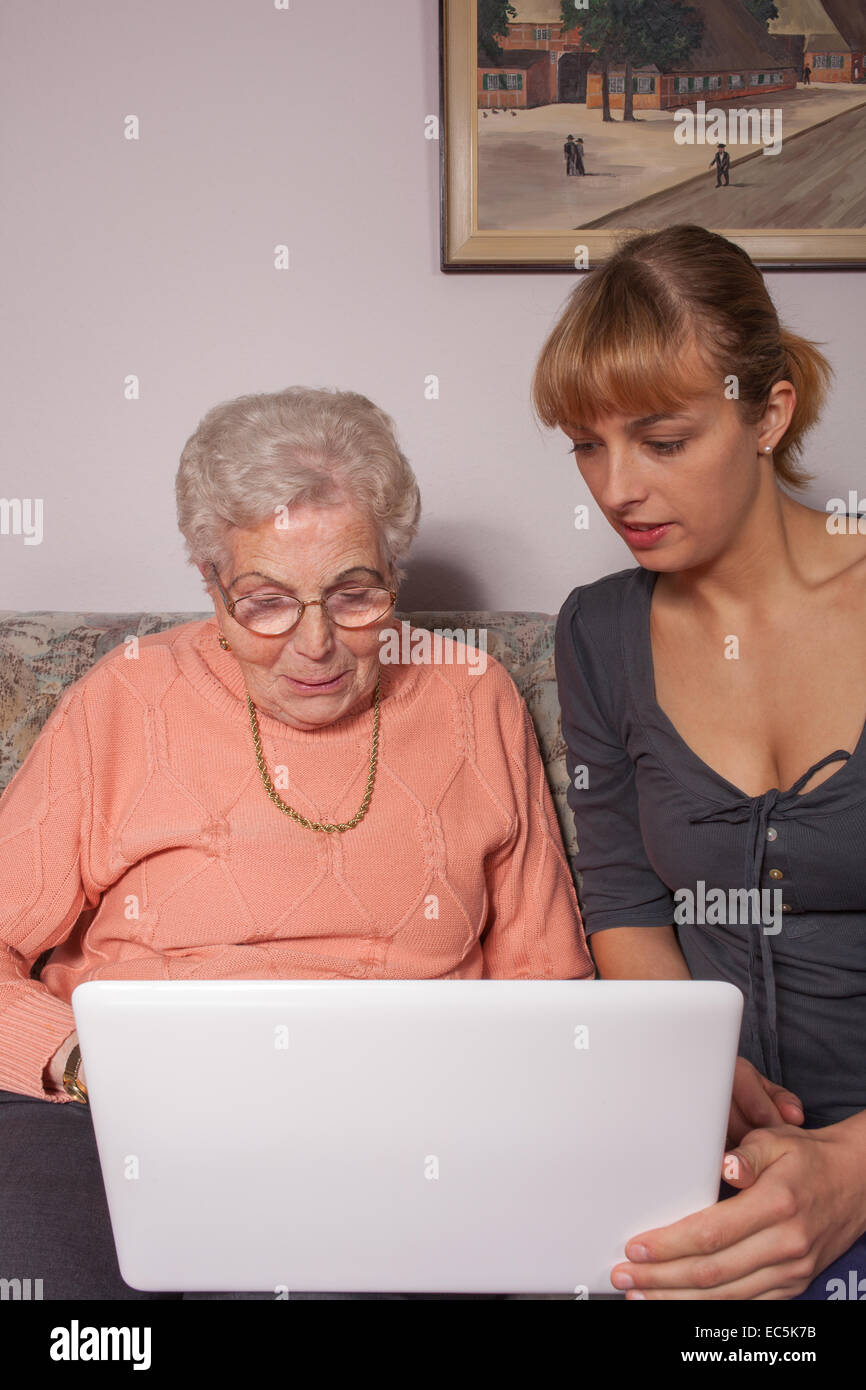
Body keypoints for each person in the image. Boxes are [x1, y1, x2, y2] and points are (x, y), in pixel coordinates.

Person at [0, 385, 594, 1300]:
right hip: (133, 1111)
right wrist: (78, 1062)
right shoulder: (122, 700)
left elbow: (546, 984)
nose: (315, 644)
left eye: (356, 595)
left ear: (393, 571)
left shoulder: (472, 697)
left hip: (404, 1120)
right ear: (209, 583)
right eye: (266, 602)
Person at [532, 222, 866, 1300]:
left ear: (766, 413)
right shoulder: (594, 630)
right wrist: (691, 1079)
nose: (615, 487)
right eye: (585, 443)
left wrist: (851, 1169)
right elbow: (623, 896)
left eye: (660, 439)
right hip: (695, 1158)